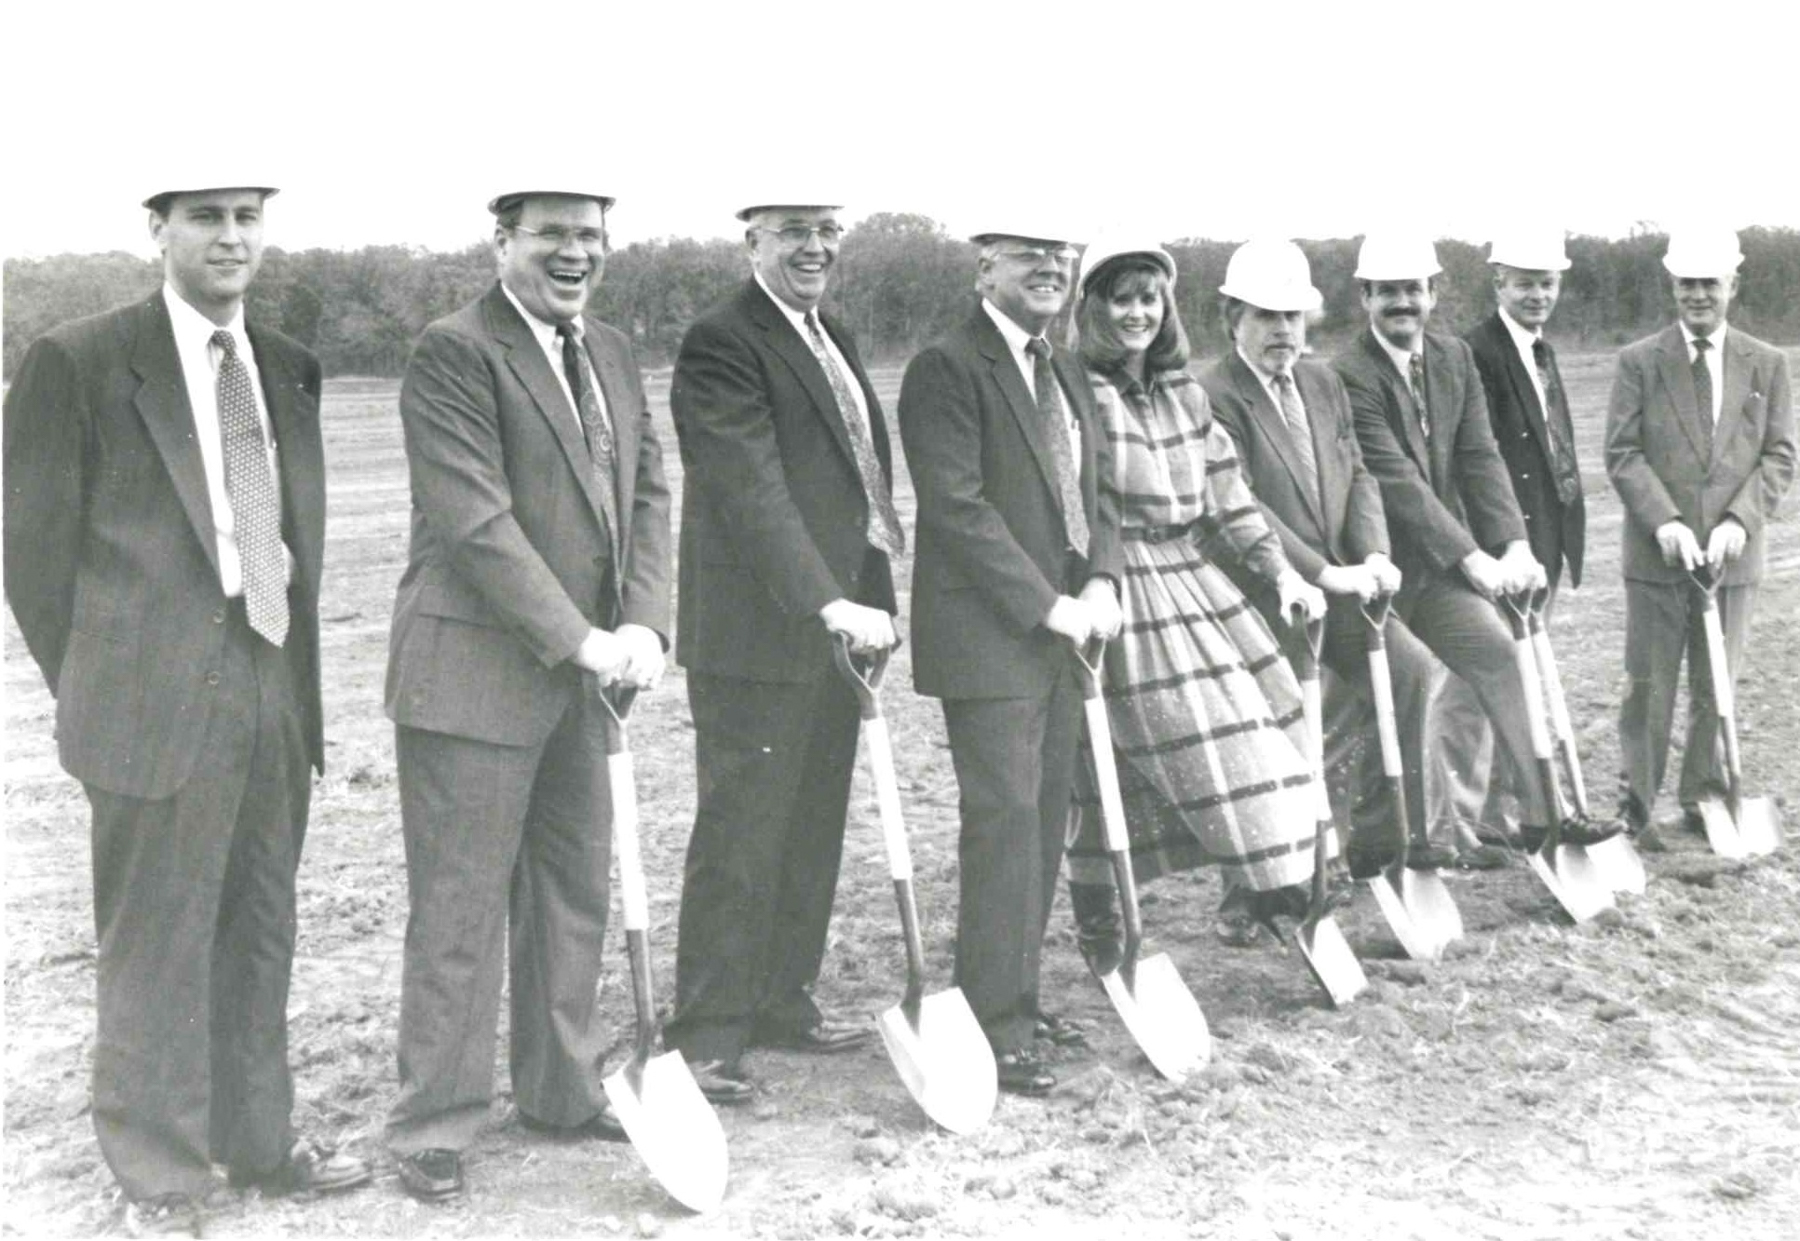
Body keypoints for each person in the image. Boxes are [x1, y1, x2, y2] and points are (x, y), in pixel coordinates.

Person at [3, 178, 369, 1236]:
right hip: (148, 696)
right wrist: (105, 681)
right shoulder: (79, 360)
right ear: (157, 228)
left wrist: (280, 673)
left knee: (261, 923)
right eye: (206, 217)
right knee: (156, 940)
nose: (231, 236)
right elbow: (31, 555)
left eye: (248, 216)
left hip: (269, 674)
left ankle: (259, 1138)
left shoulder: (287, 364)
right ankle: (159, 1169)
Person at [382, 185, 672, 1202]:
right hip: (476, 673)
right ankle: (434, 1120)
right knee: (461, 903)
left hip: (589, 676)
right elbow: (475, 521)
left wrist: (646, 622)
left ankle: (561, 1087)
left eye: (589, 235)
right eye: (551, 234)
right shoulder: (455, 350)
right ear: (502, 241)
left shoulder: (614, 350)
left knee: (570, 888)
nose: (573, 252)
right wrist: (581, 638)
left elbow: (647, 492)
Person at [663, 199, 898, 1087]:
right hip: (759, 632)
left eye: (826, 229)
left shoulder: (830, 332)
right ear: (752, 240)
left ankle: (781, 1000)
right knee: (743, 830)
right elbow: (747, 484)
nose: (815, 246)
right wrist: (825, 600)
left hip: (837, 628)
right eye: (794, 230)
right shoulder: (723, 340)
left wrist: (867, 598)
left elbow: (858, 484)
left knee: (811, 825)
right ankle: (708, 1031)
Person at [899, 218, 1124, 1096]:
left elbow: (1095, 493)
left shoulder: (1061, 366)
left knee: (1040, 821)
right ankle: (994, 1022)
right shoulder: (946, 367)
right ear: (984, 267)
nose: (1050, 270)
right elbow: (957, 508)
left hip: (1065, 633)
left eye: (1061, 258)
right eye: (1030, 255)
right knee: (1005, 821)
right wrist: (1047, 604)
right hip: (991, 638)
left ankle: (1014, 1000)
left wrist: (1102, 577)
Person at [1059, 234, 1327, 957]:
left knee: (1274, 713)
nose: (1138, 313)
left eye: (1150, 299)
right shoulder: (1077, 391)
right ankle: (1101, 916)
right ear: (1094, 308)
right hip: (1120, 583)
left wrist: (1283, 573)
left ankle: (1279, 884)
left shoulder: (1185, 393)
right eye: (1122, 299)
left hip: (1193, 579)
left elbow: (1230, 499)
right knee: (1122, 758)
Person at [1332, 233, 1617, 869]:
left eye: (1413, 290)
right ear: (1365, 297)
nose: (1403, 303)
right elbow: (1397, 479)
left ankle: (1544, 816)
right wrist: (1472, 559)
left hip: (1433, 572)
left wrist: (1513, 543)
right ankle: (1377, 844)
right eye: (1388, 292)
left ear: (1433, 294)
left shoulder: (1453, 357)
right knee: (1370, 706)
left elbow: (1480, 456)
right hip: (1373, 568)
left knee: (1502, 656)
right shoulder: (1347, 374)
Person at [1200, 239, 1447, 896]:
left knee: (1409, 670)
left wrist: (1374, 553)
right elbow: (1243, 502)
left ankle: (1381, 841)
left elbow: (1358, 472)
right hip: (1260, 592)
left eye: (1291, 315)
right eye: (1265, 316)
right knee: (1275, 727)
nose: (1282, 330)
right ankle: (1256, 887)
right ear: (1232, 317)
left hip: (1338, 583)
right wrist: (1321, 574)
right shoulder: (1213, 396)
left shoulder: (1322, 381)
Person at [1604, 228, 1795, 846]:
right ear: (1673, 287)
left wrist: (1740, 521)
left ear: (1732, 286)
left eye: (1709, 283)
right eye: (1687, 283)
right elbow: (1623, 453)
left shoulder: (1767, 363)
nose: (1698, 295)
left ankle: (1705, 797)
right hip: (1657, 556)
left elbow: (1780, 455)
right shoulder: (1639, 361)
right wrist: (1665, 521)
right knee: (1648, 687)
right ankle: (1635, 804)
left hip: (1732, 558)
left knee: (1718, 686)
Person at [1434, 231, 1588, 851]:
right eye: (1524, 282)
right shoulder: (1477, 353)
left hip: (1541, 542)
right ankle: (1455, 824)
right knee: (1474, 690)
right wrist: (1497, 547)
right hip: (1500, 549)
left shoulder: (1540, 350)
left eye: (1547, 283)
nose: (1537, 294)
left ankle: (1504, 816)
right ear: (1498, 281)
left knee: (1518, 683)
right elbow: (1471, 459)